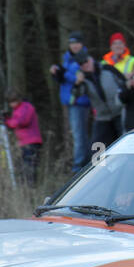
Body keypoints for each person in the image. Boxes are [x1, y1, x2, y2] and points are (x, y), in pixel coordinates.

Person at [48, 31, 93, 173]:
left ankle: (79, 168)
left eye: (77, 42)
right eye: (72, 43)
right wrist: (58, 74)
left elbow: (80, 78)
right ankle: (83, 164)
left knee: (80, 135)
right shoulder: (67, 58)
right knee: (79, 135)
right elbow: (68, 79)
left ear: (82, 44)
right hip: (70, 101)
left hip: (81, 101)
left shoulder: (85, 58)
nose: (74, 46)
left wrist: (64, 74)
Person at [80, 54, 127, 152]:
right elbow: (76, 95)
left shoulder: (107, 69)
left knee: (124, 142)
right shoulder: (83, 80)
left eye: (86, 61)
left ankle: (128, 166)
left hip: (120, 112)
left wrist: (123, 98)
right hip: (102, 117)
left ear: (91, 59)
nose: (85, 65)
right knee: (97, 146)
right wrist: (77, 83)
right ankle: (100, 166)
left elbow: (124, 82)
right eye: (81, 64)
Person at [3, 89, 42, 186]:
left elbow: (21, 121)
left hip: (31, 141)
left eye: (14, 101)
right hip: (24, 142)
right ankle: (25, 184)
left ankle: (31, 185)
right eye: (11, 102)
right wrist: (8, 119)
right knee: (24, 165)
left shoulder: (26, 107)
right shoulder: (18, 109)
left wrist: (8, 122)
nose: (13, 104)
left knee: (30, 165)